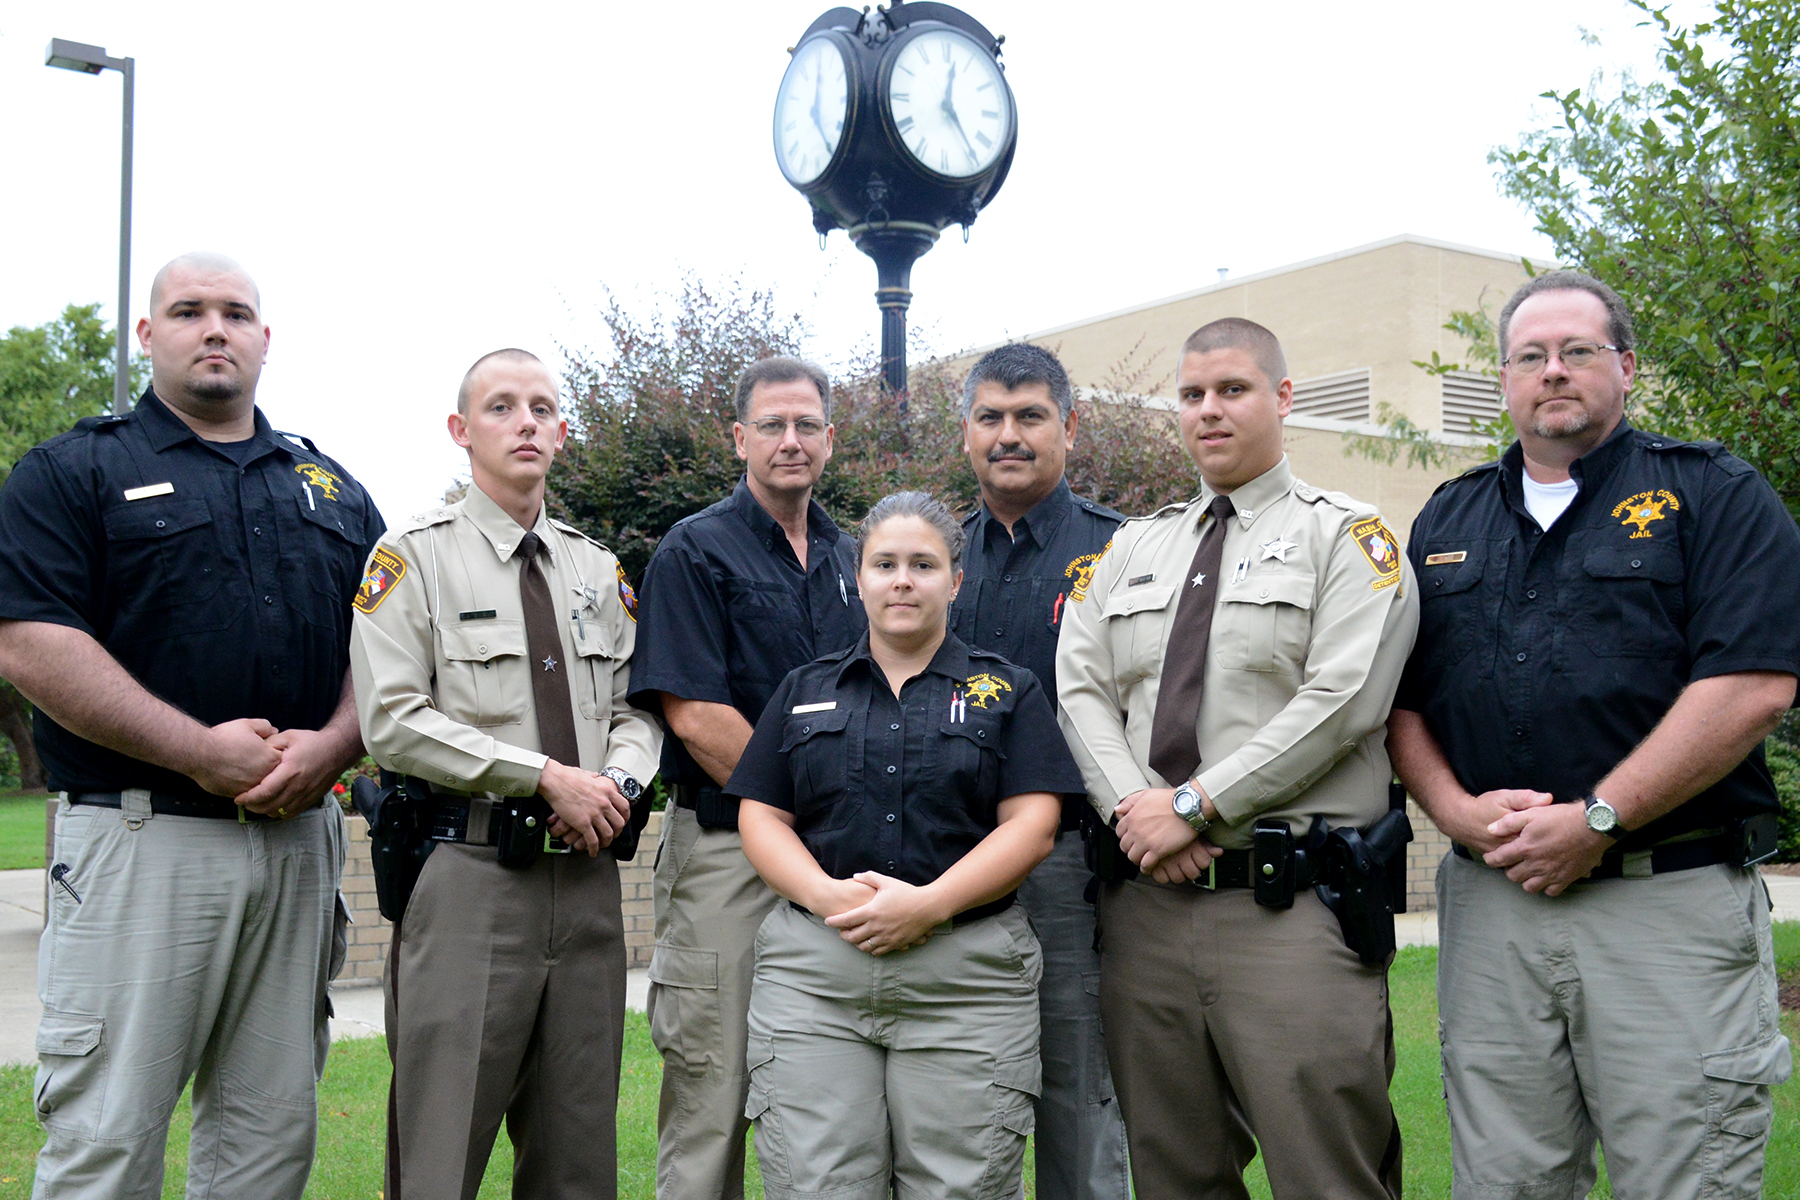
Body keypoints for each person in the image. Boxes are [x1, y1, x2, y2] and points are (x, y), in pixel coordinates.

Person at [1387, 270, 1800, 1199]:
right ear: (1504, 380)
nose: (1554, 371)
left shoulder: (1714, 494)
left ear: (1627, 366)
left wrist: (1599, 818)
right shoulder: (1449, 518)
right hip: (1494, 911)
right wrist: (1455, 813)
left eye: (1579, 350)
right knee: (1505, 1183)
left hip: (1666, 906)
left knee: (1687, 1177)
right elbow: (1401, 705)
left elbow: (1751, 687)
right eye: (1531, 356)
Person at [0, 252, 381, 1199]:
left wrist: (335, 746)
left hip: (299, 847)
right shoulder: (74, 471)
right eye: (187, 311)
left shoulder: (330, 489)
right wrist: (197, 751)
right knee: (106, 1140)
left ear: (264, 340)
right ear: (148, 336)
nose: (215, 328)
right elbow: (30, 643)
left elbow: (388, 651)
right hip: (142, 842)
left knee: (268, 1141)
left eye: (235, 313)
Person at [1055, 318, 1420, 1199]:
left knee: (1326, 1173)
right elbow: (1080, 690)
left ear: (1283, 397)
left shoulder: (1350, 539)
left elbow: (1343, 702)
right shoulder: (1134, 548)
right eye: (1191, 395)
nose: (1209, 411)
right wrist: (1139, 815)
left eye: (1233, 390)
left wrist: (1194, 806)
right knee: (1174, 1173)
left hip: (1289, 911)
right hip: (1146, 911)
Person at [350, 347, 661, 1200]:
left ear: (562, 432)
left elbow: (638, 711)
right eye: (501, 407)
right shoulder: (412, 559)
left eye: (541, 407)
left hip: (589, 882)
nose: (525, 422)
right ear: (461, 430)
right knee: (439, 1155)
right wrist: (542, 776)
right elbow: (394, 720)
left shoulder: (599, 572)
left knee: (578, 1160)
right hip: (471, 881)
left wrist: (616, 789)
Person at [728, 490, 1083, 1199]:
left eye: (923, 564)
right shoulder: (803, 691)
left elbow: (1034, 823)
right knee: (817, 1186)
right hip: (816, 982)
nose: (901, 580)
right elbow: (761, 816)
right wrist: (824, 895)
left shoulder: (1007, 690)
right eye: (884, 563)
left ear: (956, 580)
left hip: (966, 980)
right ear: (856, 577)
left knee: (962, 1188)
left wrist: (928, 905)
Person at [627, 355, 866, 1199]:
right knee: (712, 1088)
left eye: (807, 425)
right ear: (740, 437)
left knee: (831, 1095)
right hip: (729, 856)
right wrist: (801, 814)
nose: (790, 441)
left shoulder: (857, 558)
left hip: (839, 860)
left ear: (831, 439)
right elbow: (694, 715)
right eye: (772, 425)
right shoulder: (695, 550)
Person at [949, 342, 1130, 1200]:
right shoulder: (934, 558)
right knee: (954, 1101)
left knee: (1078, 1090)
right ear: (967, 432)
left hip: (1073, 869)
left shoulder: (1127, 554)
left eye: (1030, 416)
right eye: (991, 417)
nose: (1009, 436)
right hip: (946, 864)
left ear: (1070, 424)